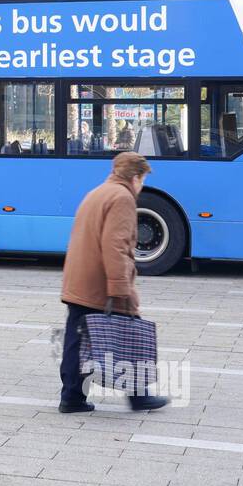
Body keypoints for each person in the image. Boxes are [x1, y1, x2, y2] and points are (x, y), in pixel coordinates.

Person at [57, 151, 169, 413]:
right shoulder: (122, 198)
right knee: (132, 334)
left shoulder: (97, 192)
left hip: (79, 280)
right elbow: (116, 246)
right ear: (135, 176)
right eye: (142, 179)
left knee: (77, 340)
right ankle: (139, 396)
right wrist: (121, 289)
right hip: (102, 282)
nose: (142, 186)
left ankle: (72, 397)